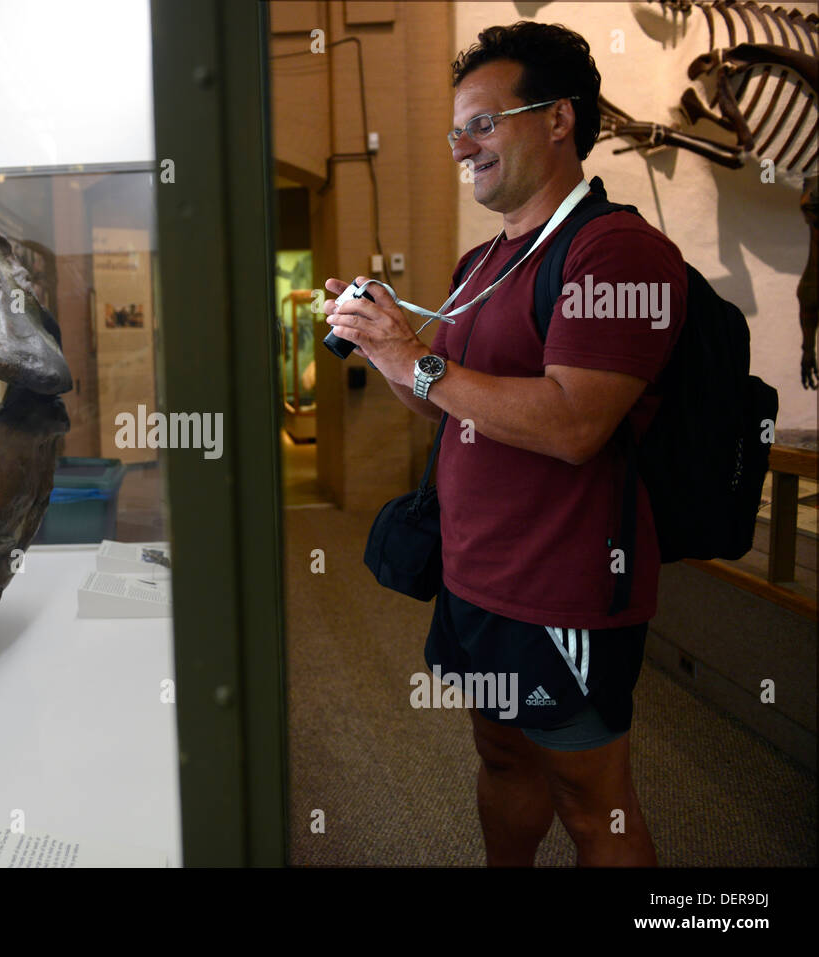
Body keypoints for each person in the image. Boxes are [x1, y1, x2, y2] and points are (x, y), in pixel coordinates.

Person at [323, 21, 687, 866]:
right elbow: (444, 406)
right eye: (456, 129)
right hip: (474, 576)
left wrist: (415, 360)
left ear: (559, 118)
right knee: (502, 755)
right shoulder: (480, 263)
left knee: (592, 801)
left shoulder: (618, 252)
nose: (462, 145)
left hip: (562, 588)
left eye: (483, 122)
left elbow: (572, 423)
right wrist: (384, 347)